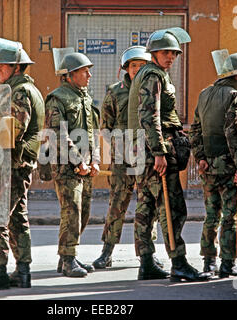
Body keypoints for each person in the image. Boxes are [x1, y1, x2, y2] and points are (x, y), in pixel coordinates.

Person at [128, 28, 210, 281]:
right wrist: (159, 152)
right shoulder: (153, 75)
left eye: (173, 53)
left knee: (147, 207)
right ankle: (179, 262)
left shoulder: (145, 73)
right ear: (153, 53)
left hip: (141, 150)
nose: (170, 57)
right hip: (154, 150)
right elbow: (149, 116)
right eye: (165, 52)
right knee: (172, 208)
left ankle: (147, 262)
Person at [0, 41, 45, 291]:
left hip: (11, 165)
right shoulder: (26, 89)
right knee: (17, 220)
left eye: (1, 66)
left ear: (15, 67)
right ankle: (22, 272)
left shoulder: (20, 91)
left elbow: (14, 129)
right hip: (18, 164)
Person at [93, 46, 161, 269]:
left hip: (146, 156)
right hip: (122, 158)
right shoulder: (115, 91)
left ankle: (147, 254)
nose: (137, 70)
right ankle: (107, 251)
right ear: (126, 69)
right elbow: (105, 127)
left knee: (147, 205)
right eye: (133, 66)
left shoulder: (152, 88)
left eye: (142, 66)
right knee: (117, 203)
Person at [189, 50, 237, 278]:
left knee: (211, 215)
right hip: (229, 167)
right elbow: (235, 133)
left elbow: (195, 130)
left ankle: (208, 262)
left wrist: (201, 159)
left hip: (210, 167)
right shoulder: (233, 97)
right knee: (232, 215)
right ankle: (228, 263)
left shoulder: (205, 93)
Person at [45, 52, 100, 277]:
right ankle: (68, 260)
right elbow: (59, 134)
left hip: (85, 167)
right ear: (70, 75)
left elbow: (92, 133)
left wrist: (94, 160)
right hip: (67, 167)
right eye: (84, 71)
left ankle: (68, 256)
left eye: (88, 70)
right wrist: (78, 161)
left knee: (83, 212)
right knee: (72, 211)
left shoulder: (84, 97)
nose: (89, 74)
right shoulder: (57, 98)